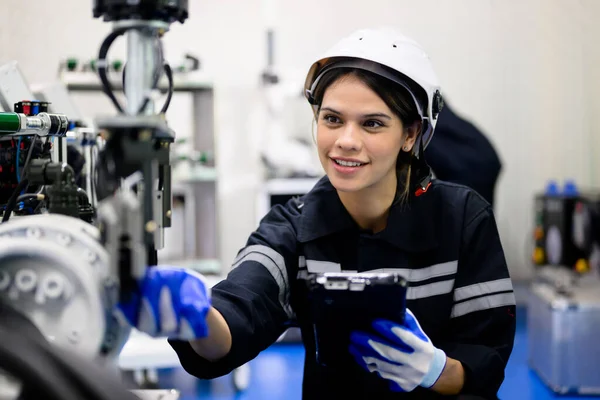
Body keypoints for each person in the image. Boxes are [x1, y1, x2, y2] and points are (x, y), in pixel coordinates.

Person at [116, 27, 516, 400]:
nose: (345, 141)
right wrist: (196, 317)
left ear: (411, 134)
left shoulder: (463, 218)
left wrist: (433, 371)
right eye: (332, 119)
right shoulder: (293, 228)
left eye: (373, 124)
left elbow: (486, 361)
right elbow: (240, 312)